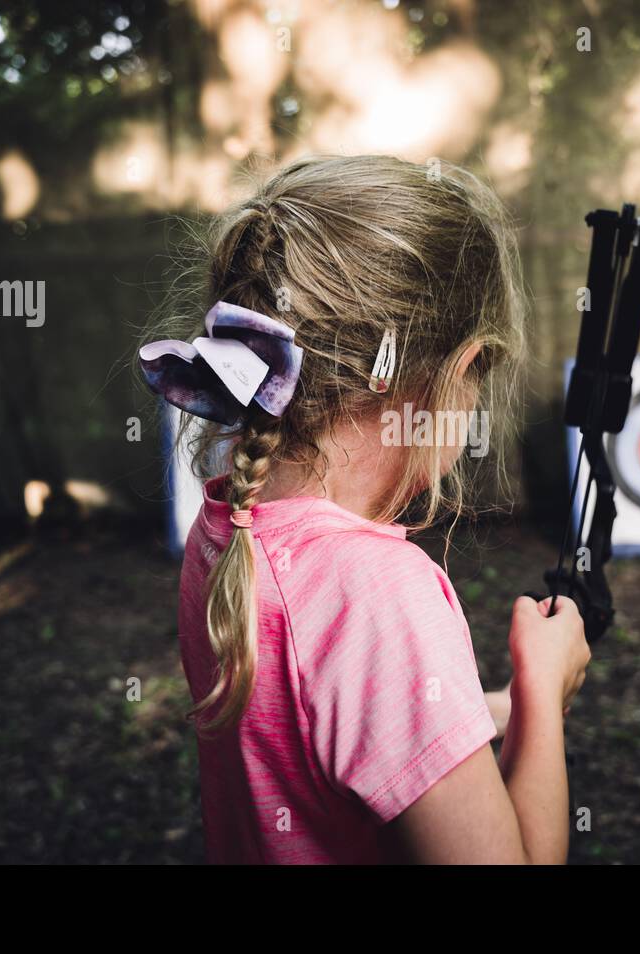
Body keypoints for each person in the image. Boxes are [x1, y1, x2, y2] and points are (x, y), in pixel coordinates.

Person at [140, 154, 590, 864]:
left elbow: (345, 732)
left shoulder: (229, 527)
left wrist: (508, 712)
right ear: (454, 373)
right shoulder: (377, 590)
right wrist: (541, 686)